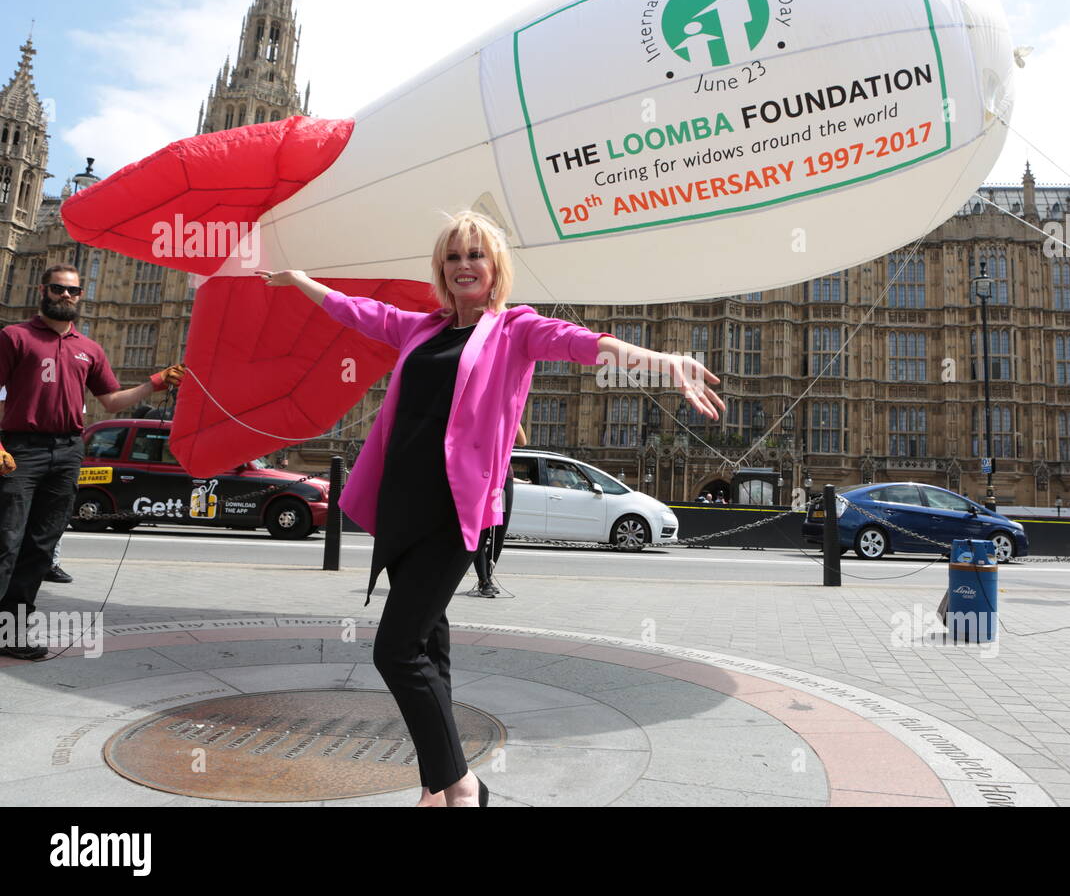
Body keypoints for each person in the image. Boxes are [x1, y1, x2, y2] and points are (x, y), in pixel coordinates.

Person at [256, 210, 723, 807]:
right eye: (453, 256)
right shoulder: (421, 329)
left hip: (456, 507)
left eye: (474, 254)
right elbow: (361, 313)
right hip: (405, 501)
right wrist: (301, 280)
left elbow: (586, 345)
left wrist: (666, 363)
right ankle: (438, 788)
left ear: (495, 266)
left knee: (394, 651)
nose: (463, 265)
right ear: (442, 270)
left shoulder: (515, 330)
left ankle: (464, 785)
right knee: (428, 647)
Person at [0, 264, 184, 659]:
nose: (66, 296)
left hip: (68, 450)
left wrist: (155, 382)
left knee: (40, 547)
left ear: (81, 296)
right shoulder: (15, 336)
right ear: (43, 290)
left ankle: (11, 633)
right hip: (20, 450)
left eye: (73, 291)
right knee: (6, 540)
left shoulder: (90, 348)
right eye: (58, 289)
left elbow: (111, 401)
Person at [0, 385, 72, 584]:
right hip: (18, 447)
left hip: (58, 452)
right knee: (9, 532)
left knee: (46, 522)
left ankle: (49, 564)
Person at [472, 423, 525, 598]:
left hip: (504, 477)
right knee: (480, 532)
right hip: (480, 474)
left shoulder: (506, 414)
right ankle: (483, 581)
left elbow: (522, 440)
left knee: (499, 533)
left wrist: (510, 414)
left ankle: (488, 575)